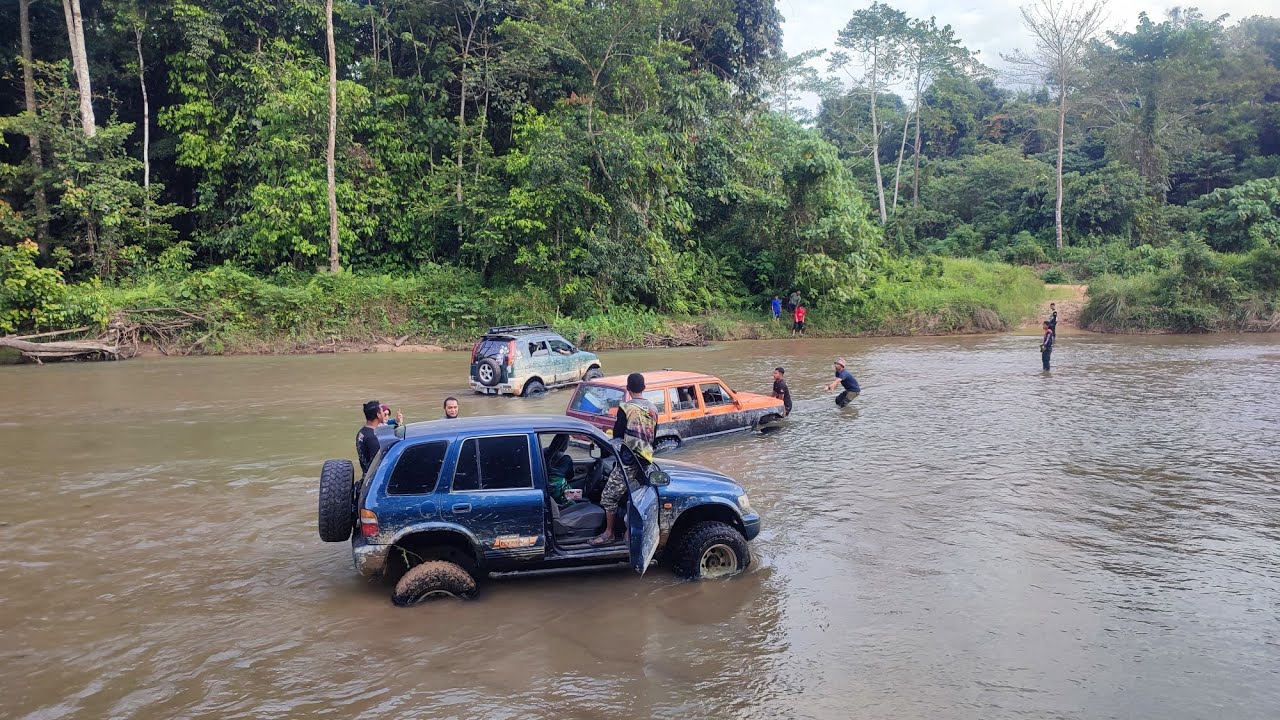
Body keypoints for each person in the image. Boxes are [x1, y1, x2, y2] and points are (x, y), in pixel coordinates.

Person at [594, 373, 658, 545]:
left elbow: (617, 435)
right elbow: (653, 436)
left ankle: (608, 533)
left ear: (628, 389)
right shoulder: (653, 409)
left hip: (628, 461)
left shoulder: (625, 408)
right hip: (646, 462)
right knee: (638, 498)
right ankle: (631, 534)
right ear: (644, 388)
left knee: (608, 497)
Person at [356, 401, 383, 475]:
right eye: (382, 412)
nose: (384, 414)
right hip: (373, 478)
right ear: (378, 415)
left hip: (366, 474)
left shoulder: (361, 432)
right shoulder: (373, 438)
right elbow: (377, 464)